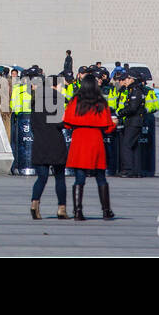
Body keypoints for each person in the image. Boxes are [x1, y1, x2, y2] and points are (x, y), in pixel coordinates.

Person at [63, 75, 115, 221]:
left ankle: (77, 211)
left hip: (79, 139)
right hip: (96, 140)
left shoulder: (75, 101)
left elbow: (67, 122)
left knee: (80, 177)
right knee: (100, 176)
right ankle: (106, 210)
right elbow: (108, 126)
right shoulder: (101, 102)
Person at [29, 76, 70, 219]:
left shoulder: (36, 102)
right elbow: (61, 124)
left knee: (42, 177)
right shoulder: (57, 101)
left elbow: (33, 125)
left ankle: (35, 203)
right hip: (55, 143)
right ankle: (61, 209)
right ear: (55, 86)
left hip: (40, 143)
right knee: (59, 178)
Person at [115, 71, 147, 178]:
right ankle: (136, 170)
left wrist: (120, 112)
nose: (124, 81)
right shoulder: (132, 90)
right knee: (134, 146)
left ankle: (128, 169)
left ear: (131, 79)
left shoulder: (135, 91)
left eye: (126, 79)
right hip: (134, 121)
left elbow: (132, 108)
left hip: (134, 121)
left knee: (126, 145)